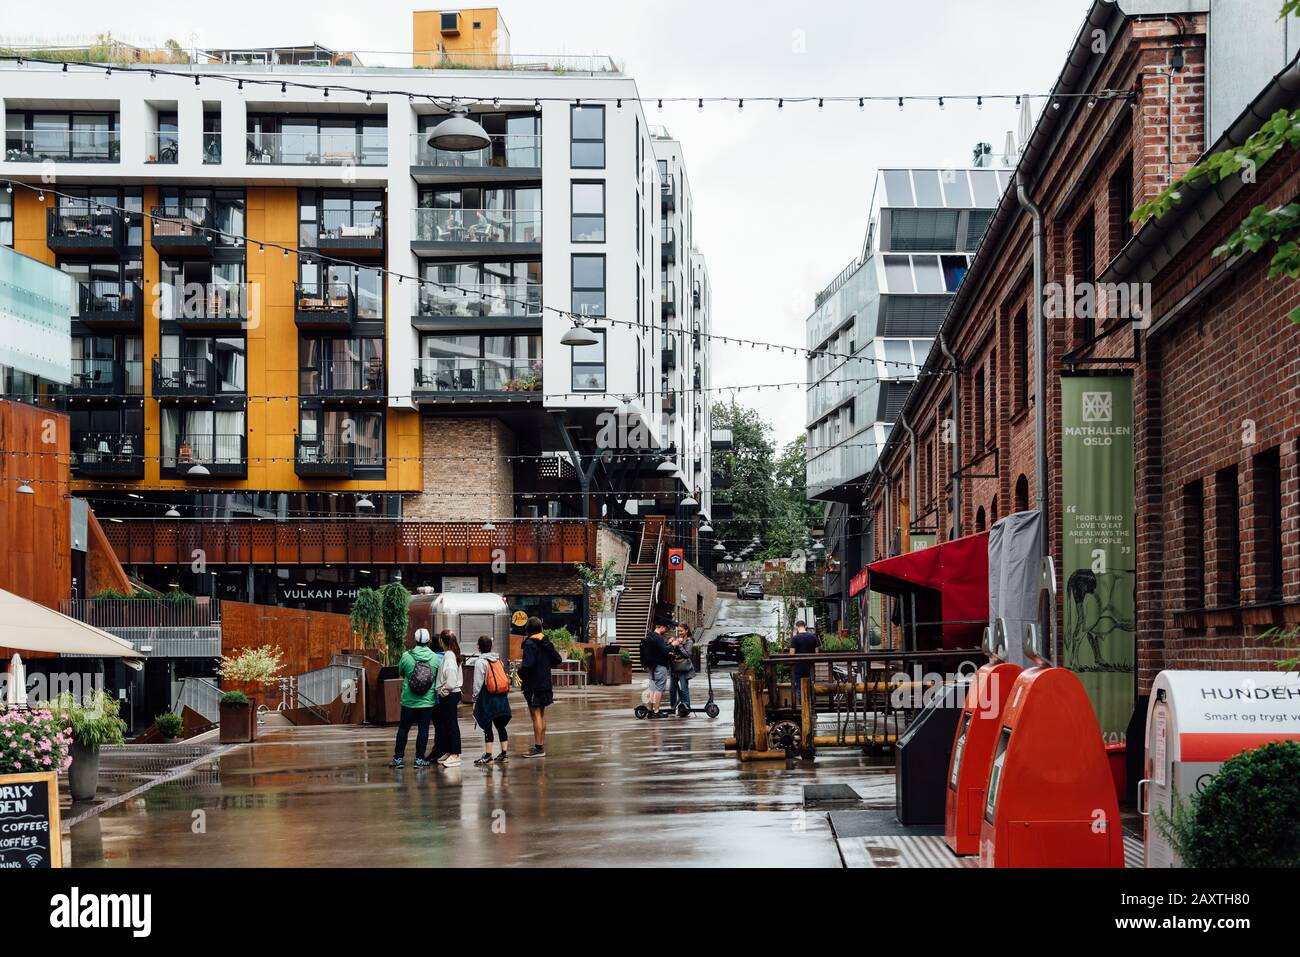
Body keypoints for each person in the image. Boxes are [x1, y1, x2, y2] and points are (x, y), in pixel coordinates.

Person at [390, 627, 440, 769]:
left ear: (415, 640)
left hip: (409, 701)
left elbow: (400, 672)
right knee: (423, 729)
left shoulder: (406, 656)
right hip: (427, 701)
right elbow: (436, 676)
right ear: (428, 641)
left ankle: (398, 759)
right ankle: (419, 759)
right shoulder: (435, 658)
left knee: (403, 729)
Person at [517, 617, 561, 757]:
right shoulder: (546, 642)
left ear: (528, 629)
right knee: (541, 714)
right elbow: (558, 659)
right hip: (545, 683)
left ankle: (538, 748)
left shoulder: (530, 643)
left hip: (533, 684)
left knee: (535, 715)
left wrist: (520, 670)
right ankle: (540, 745)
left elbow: (528, 664)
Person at [472, 635, 512, 766]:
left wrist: (474, 699)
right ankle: (504, 753)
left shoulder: (480, 662)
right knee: (500, 725)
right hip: (501, 696)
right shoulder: (497, 660)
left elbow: (478, 684)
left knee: (487, 725)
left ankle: (488, 755)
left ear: (479, 647)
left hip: (487, 697)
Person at [430, 630, 463, 768]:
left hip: (449, 693)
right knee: (448, 723)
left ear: (442, 642)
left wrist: (444, 691)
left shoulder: (449, 655)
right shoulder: (453, 654)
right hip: (452, 693)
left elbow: (450, 676)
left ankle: (455, 753)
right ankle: (450, 751)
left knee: (451, 724)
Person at [639, 622, 675, 718]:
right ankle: (656, 711)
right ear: (661, 627)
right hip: (660, 666)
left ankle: (650, 711)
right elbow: (664, 650)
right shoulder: (658, 637)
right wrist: (673, 645)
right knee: (659, 689)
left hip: (651, 666)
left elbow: (658, 649)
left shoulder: (650, 636)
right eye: (665, 628)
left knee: (652, 688)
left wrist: (668, 643)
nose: (666, 630)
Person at [789, 620, 820, 709]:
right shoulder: (813, 637)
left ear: (796, 627)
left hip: (799, 667)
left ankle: (803, 707)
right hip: (810, 666)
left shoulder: (795, 638)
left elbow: (791, 654)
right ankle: (812, 706)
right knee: (811, 686)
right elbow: (817, 652)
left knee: (799, 688)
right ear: (805, 626)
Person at [668, 623, 695, 714]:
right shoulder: (677, 639)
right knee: (672, 689)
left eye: (681, 631)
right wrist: (671, 643)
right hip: (674, 667)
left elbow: (687, 654)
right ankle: (672, 708)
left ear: (686, 630)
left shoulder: (689, 641)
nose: (680, 632)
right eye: (678, 631)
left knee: (684, 689)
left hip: (682, 668)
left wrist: (679, 645)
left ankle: (686, 708)